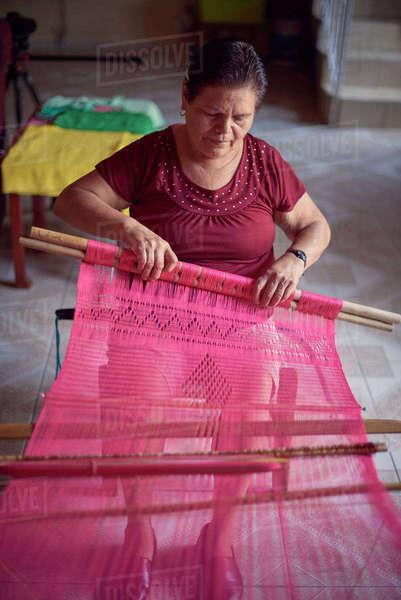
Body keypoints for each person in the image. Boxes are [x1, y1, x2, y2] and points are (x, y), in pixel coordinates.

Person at [54, 37, 330, 600]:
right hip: (154, 320)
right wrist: (126, 227)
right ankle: (140, 539)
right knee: (136, 407)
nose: (227, 130)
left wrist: (293, 260)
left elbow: (314, 226)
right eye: (213, 112)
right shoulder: (150, 155)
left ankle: (219, 541)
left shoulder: (264, 162)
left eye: (242, 117)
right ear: (185, 97)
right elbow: (70, 200)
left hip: (240, 323)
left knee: (251, 411)